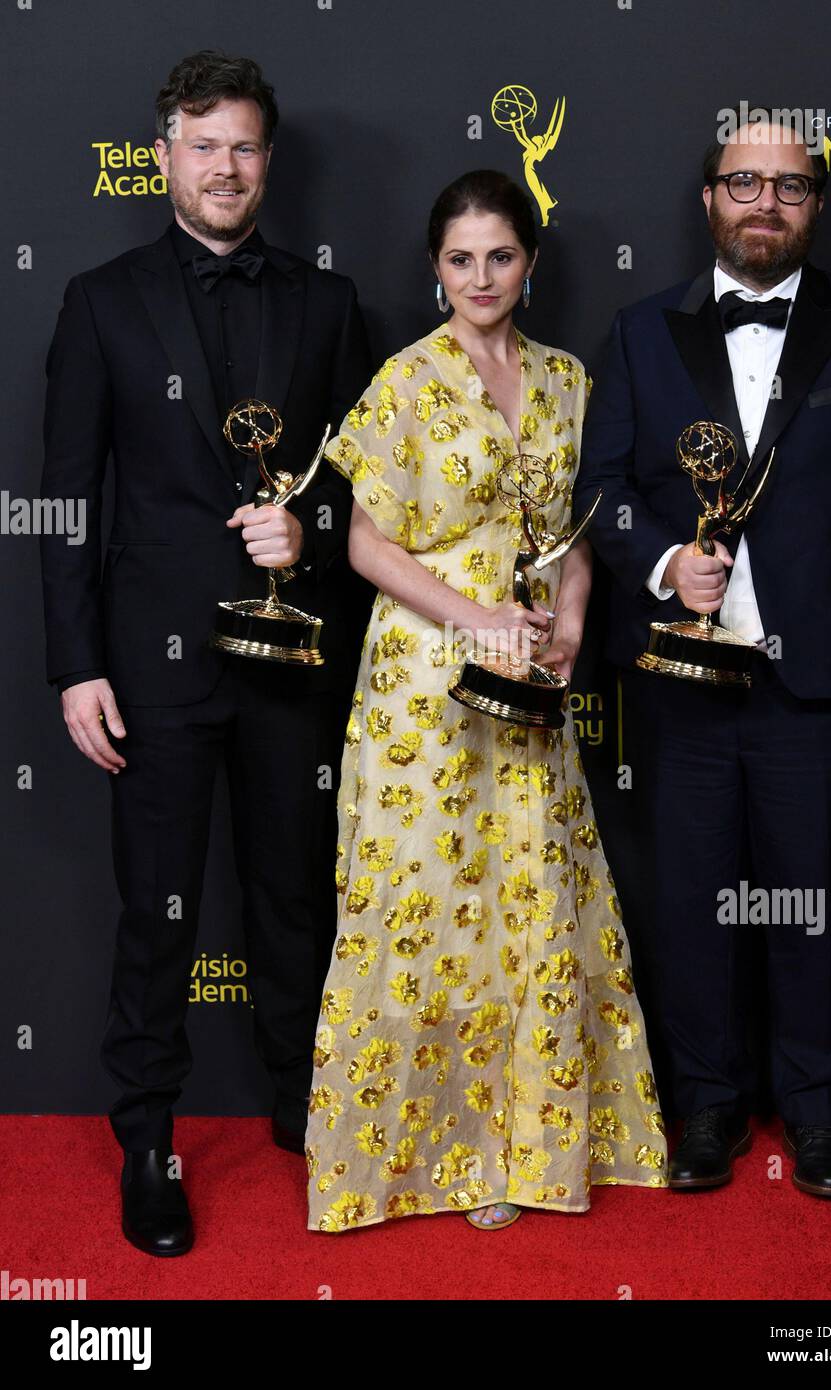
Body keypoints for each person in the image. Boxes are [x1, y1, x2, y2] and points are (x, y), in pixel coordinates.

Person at [573, 106, 831, 1199]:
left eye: (787, 187)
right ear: (708, 199)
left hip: (827, 678)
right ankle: (707, 1111)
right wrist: (659, 568)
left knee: (815, 905)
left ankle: (822, 1119)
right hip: (684, 685)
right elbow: (599, 490)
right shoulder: (642, 332)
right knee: (692, 907)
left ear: (816, 205)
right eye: (744, 184)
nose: (764, 205)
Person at [39, 50, 373, 1256]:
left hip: (292, 662)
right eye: (202, 144)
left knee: (293, 897)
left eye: (244, 146)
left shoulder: (328, 306)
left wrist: (311, 533)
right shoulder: (101, 299)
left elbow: (364, 497)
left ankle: (303, 1109)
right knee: (156, 914)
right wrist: (76, 664)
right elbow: (69, 499)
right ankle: (149, 1139)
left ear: (266, 162)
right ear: (164, 155)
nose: (224, 166)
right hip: (150, 669)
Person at [303, 169, 667, 1233]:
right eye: (459, 259)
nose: (479, 277)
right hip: (424, 688)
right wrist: (475, 616)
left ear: (530, 264)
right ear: (434, 269)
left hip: (535, 680)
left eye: (499, 256)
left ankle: (532, 1147)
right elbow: (367, 545)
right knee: (425, 916)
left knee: (530, 903)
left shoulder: (567, 381)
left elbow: (581, 535)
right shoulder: (405, 379)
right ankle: (433, 1161)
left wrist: (568, 623)